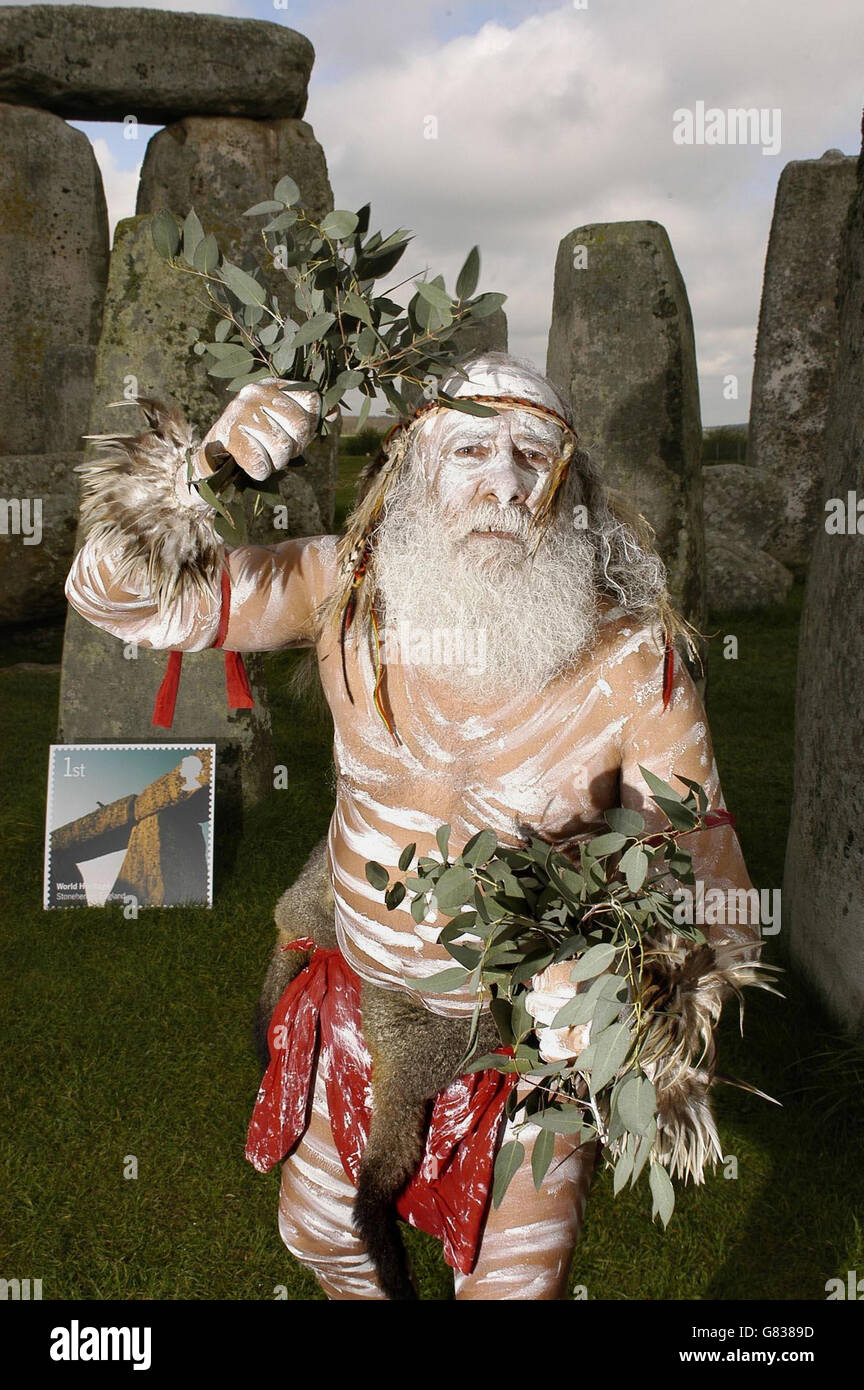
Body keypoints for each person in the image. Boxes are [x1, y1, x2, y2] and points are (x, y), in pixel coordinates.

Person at [65, 352, 765, 1299]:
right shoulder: (341, 592)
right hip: (365, 1008)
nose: (504, 481)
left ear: (572, 491)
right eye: (470, 446)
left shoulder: (634, 664)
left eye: (533, 453)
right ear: (409, 469)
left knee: (515, 1292)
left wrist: (638, 997)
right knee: (322, 1237)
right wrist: (201, 474)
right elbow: (116, 598)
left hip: (525, 1055)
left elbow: (712, 877)